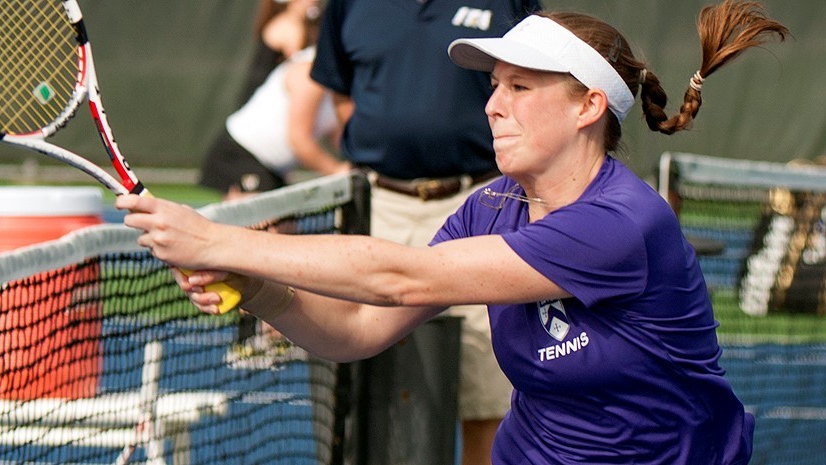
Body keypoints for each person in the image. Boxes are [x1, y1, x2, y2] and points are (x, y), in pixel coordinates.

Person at [118, 1, 788, 463]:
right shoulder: (493, 205)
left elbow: (400, 274)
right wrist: (259, 287)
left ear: (588, 105)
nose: (493, 104)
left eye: (522, 87)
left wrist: (215, 239)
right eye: (495, 85)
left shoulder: (624, 221)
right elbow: (358, 327)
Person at [309, 1, 540, 463]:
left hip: (480, 204)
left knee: (490, 398)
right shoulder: (349, 4)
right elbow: (341, 93)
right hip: (375, 207)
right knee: (351, 395)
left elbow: (534, 84)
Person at [199, 0, 348, 200]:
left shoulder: (342, 86)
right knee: (260, 229)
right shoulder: (300, 55)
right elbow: (299, 141)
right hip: (241, 155)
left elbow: (342, 136)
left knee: (289, 226)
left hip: (273, 167)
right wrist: (338, 170)